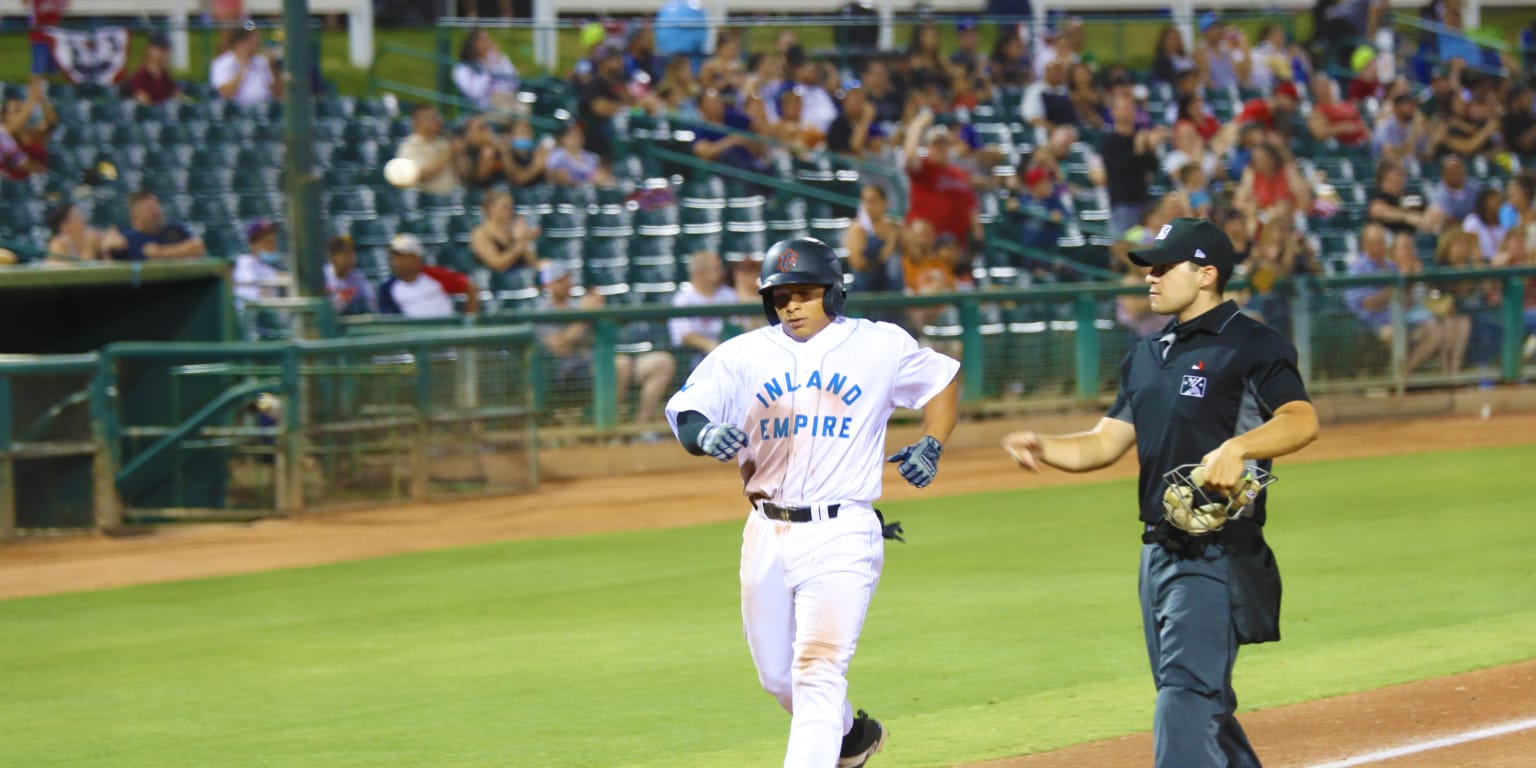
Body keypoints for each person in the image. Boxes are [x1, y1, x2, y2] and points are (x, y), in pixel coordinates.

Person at [1002, 217, 1319, 768]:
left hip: (1217, 551)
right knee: (1198, 703)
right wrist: (1047, 446)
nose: (1149, 276)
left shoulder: (1252, 343)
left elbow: (1300, 419)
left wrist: (1239, 447)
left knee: (1186, 696)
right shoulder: (1147, 355)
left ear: (1206, 275)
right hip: (1157, 554)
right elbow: (1104, 443)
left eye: (1163, 266)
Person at [664, 238, 960, 768]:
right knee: (777, 677)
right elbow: (687, 410)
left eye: (803, 293)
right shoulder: (743, 355)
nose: (790, 305)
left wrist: (933, 441)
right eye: (779, 297)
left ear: (833, 292)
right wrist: (703, 435)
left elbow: (942, 380)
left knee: (818, 672)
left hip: (843, 529)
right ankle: (850, 736)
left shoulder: (879, 345)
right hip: (765, 532)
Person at [903, 110, 979, 249]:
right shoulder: (924, 168)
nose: (940, 148)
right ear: (929, 147)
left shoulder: (959, 174)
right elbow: (909, 157)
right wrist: (918, 125)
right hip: (925, 244)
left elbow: (971, 206)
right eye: (936, 144)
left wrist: (978, 235)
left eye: (943, 144)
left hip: (954, 247)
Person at [667, 251, 739, 372]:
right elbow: (685, 336)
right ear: (701, 274)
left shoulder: (728, 294)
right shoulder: (683, 299)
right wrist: (712, 346)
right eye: (716, 269)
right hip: (691, 357)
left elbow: (738, 324)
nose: (721, 273)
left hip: (727, 352)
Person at [377, 234, 479, 318]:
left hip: (446, 334)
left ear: (416, 258)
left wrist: (469, 320)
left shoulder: (435, 276)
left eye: (401, 257)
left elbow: (470, 287)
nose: (395, 262)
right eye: (393, 257)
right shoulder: (387, 289)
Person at [107, 191, 207, 261]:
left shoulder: (174, 230)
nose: (157, 212)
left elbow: (198, 247)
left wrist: (160, 253)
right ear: (135, 217)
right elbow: (109, 248)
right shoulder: (127, 237)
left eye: (157, 206)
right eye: (149, 209)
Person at [844, 184, 904, 294]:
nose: (869, 206)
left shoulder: (896, 227)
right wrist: (889, 245)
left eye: (873, 201)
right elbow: (858, 263)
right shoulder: (858, 229)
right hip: (866, 290)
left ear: (885, 203)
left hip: (893, 288)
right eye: (866, 201)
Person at [395, 105, 464, 196]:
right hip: (426, 202)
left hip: (453, 200)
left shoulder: (444, 143)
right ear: (417, 122)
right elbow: (422, 175)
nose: (439, 121)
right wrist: (450, 152)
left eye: (438, 117)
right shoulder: (409, 147)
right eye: (432, 118)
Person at [470, 189, 539, 275]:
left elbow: (532, 262)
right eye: (505, 207)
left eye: (511, 207)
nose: (510, 210)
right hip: (496, 281)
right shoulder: (480, 234)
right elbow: (498, 264)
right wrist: (520, 243)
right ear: (490, 208)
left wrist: (525, 239)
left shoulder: (513, 230)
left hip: (521, 277)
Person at [210, 27, 283, 108]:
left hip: (264, 109)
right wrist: (243, 67)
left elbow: (279, 94)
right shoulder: (222, 63)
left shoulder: (262, 61)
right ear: (241, 43)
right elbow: (226, 94)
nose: (258, 44)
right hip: (235, 112)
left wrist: (273, 68)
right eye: (254, 41)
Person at [453, 29, 520, 114]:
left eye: (487, 39)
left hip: (507, 99)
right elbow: (474, 93)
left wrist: (501, 60)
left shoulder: (497, 57)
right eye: (482, 40)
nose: (487, 43)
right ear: (473, 44)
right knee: (513, 112)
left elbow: (515, 82)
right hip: (483, 107)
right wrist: (487, 72)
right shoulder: (462, 68)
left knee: (522, 110)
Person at [231, 219, 291, 312]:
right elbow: (251, 294)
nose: (273, 247)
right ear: (253, 244)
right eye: (268, 242)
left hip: (267, 319)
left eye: (274, 242)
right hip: (251, 319)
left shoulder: (263, 266)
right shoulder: (244, 263)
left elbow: (283, 276)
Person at [324, 234, 378, 316]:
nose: (351, 258)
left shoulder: (358, 279)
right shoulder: (323, 276)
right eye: (345, 254)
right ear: (332, 256)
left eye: (352, 253)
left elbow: (372, 305)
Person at [126, 34, 179, 105]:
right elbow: (143, 103)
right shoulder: (141, 75)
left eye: (166, 50)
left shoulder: (164, 75)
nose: (165, 53)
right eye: (160, 49)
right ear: (150, 50)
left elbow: (176, 95)